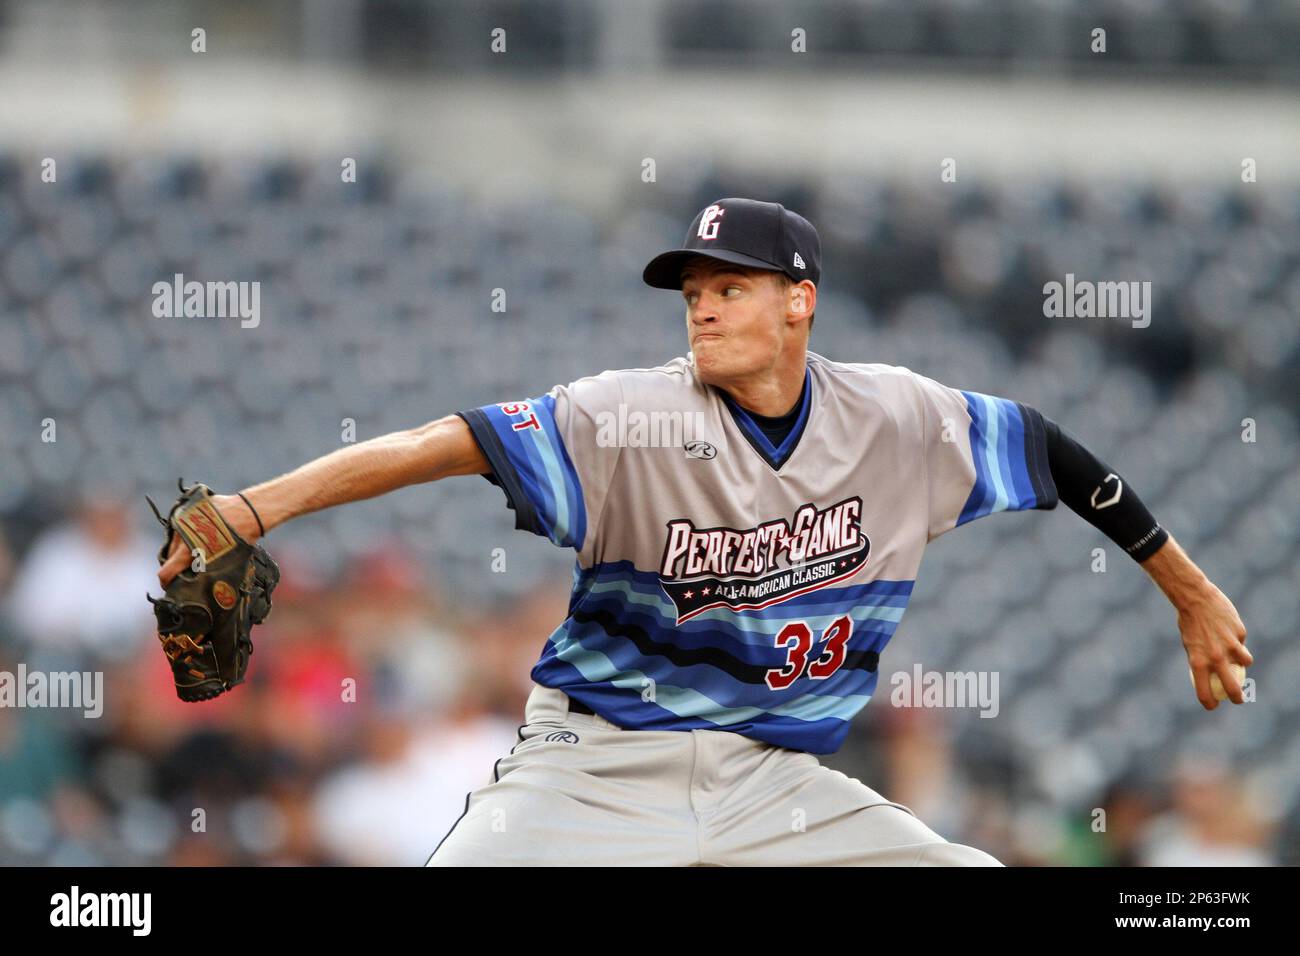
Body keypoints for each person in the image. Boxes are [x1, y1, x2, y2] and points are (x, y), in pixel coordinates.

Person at [158, 198, 1252, 866]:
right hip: (597, 764)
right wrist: (257, 508)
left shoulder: (898, 415)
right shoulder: (629, 412)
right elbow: (439, 442)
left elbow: (1052, 449)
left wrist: (1188, 589)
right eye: (693, 290)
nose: (703, 307)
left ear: (800, 302)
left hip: (774, 778)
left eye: (731, 286)